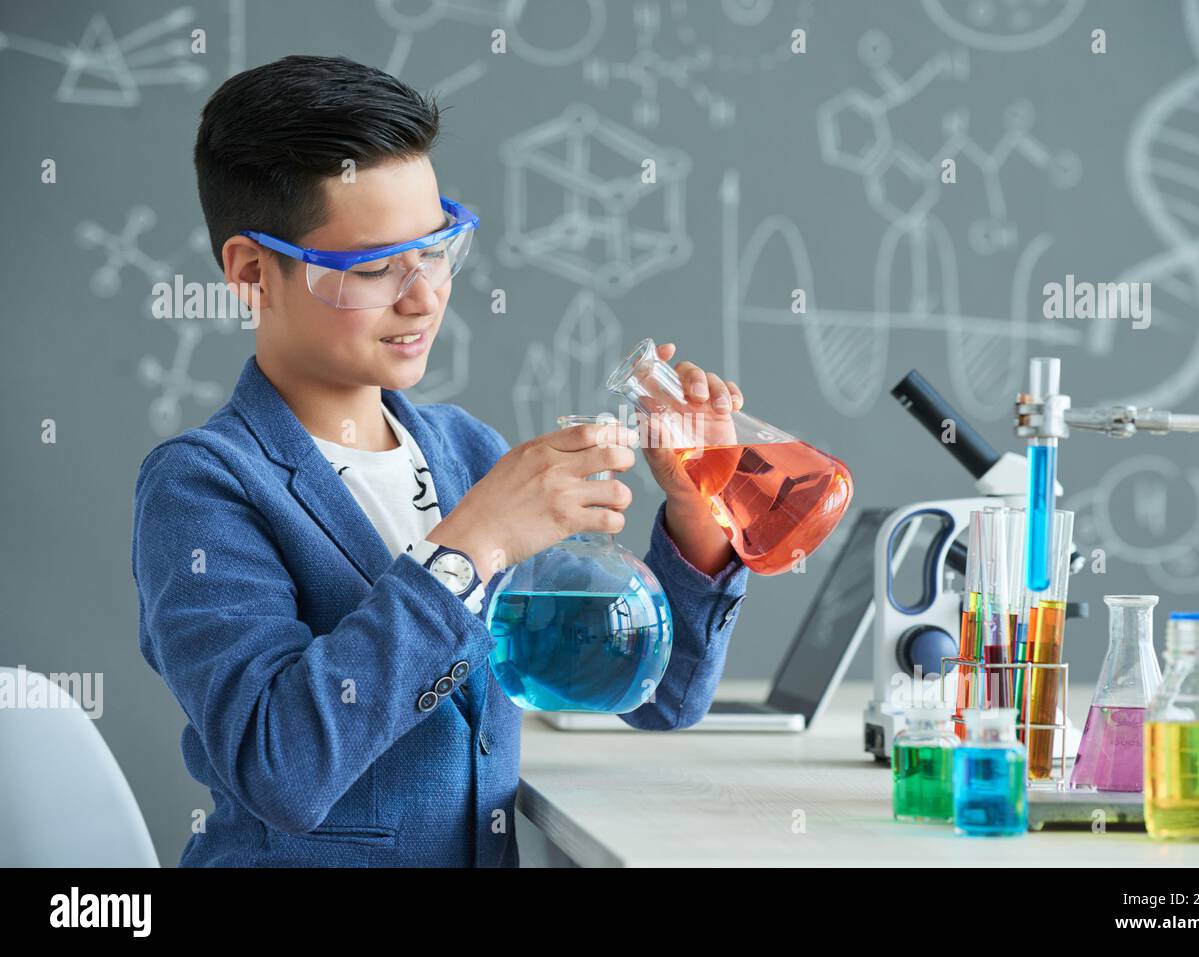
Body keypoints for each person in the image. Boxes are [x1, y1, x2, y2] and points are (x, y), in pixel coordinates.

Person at [131, 55, 750, 867]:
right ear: (253, 273)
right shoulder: (205, 486)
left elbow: (660, 700)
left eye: (435, 247)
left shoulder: (464, 452)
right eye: (375, 267)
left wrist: (695, 512)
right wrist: (468, 550)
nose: (422, 295)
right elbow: (281, 767)